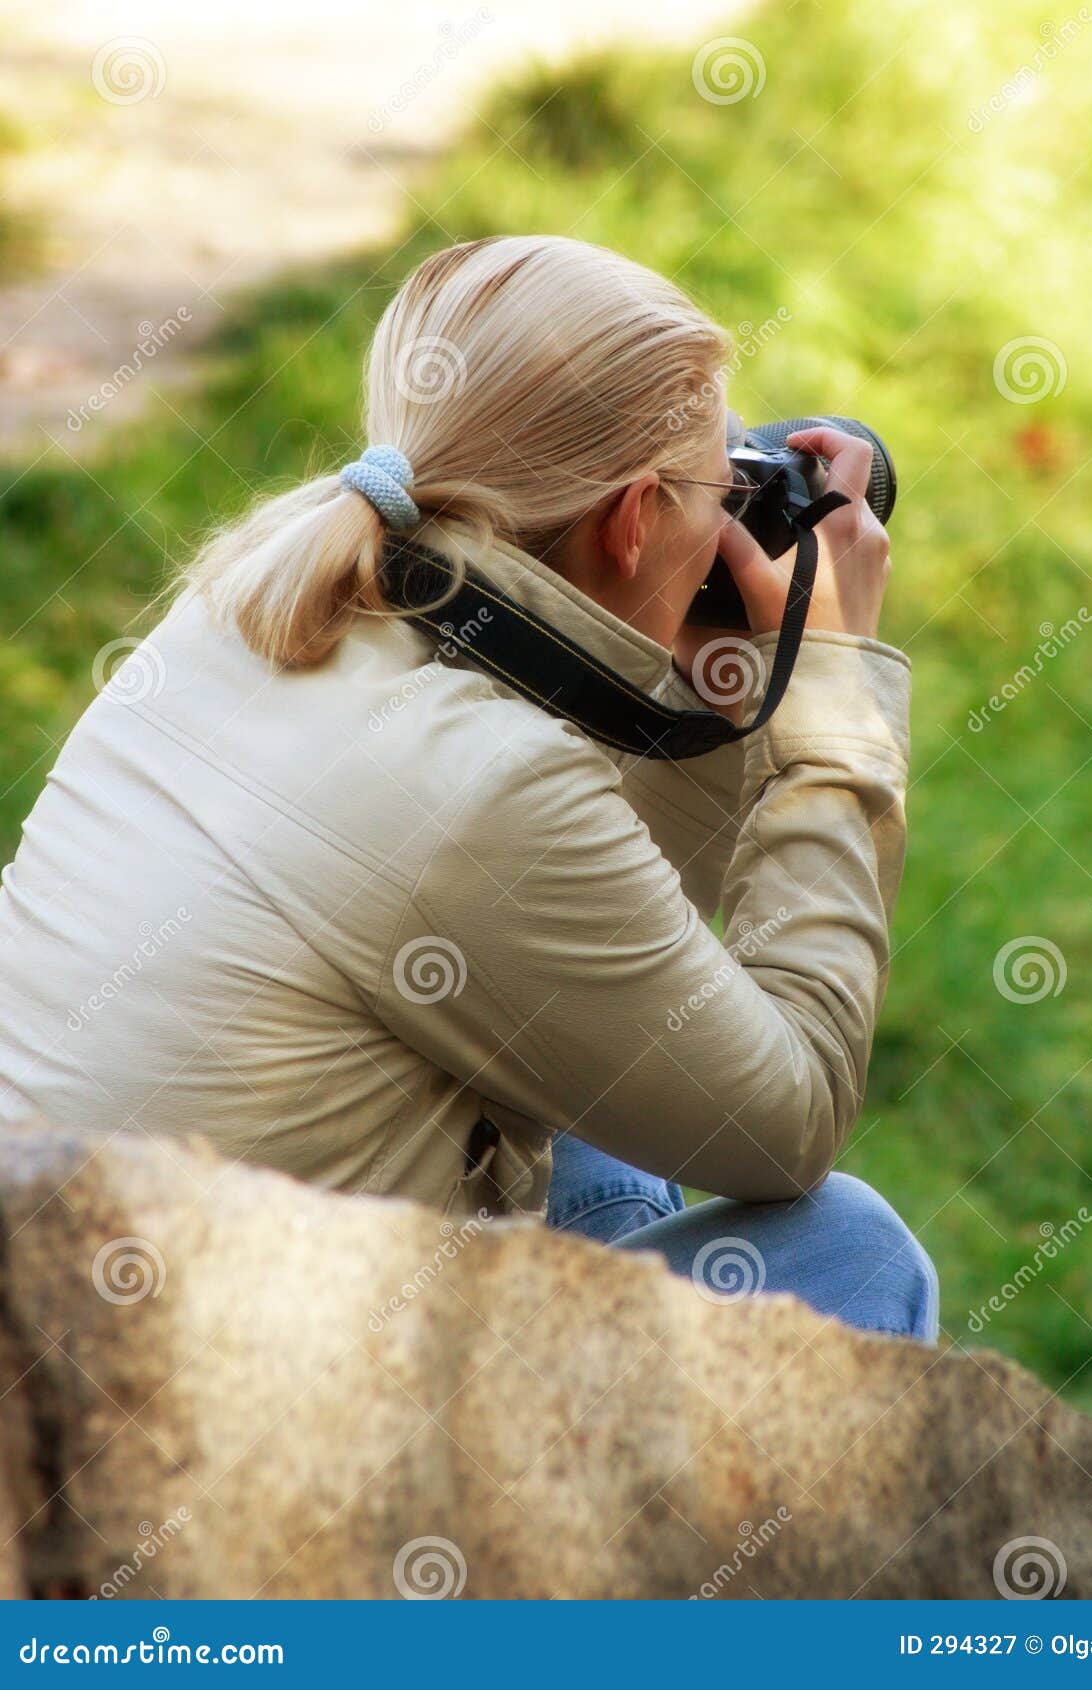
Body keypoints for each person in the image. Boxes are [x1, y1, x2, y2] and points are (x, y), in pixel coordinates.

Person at [0, 234, 936, 1343]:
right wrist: (829, 705)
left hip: (54, 1304)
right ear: (629, 520)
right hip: (192, 1442)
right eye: (715, 487)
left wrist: (706, 669)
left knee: (601, 1093)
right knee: (849, 1250)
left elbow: (620, 947)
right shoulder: (481, 788)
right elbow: (788, 1120)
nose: (734, 510)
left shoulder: (282, 575)